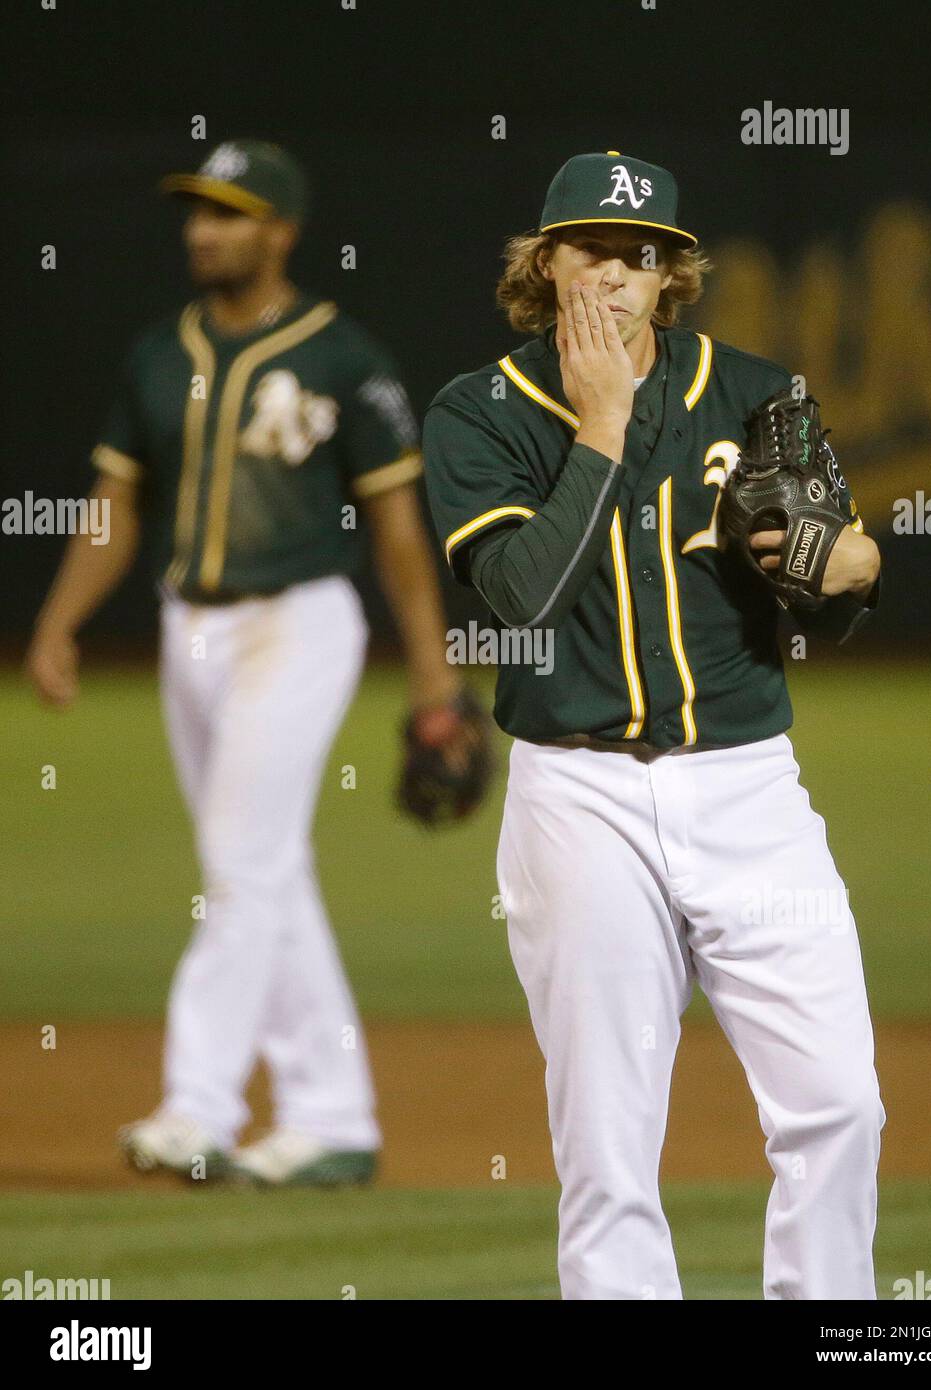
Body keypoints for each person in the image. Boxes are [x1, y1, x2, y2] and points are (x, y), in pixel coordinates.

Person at [422, 150, 886, 1298]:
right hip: (577, 798)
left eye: (644, 255)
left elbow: (828, 595)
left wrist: (850, 573)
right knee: (607, 1147)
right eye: (591, 250)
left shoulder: (757, 392)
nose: (615, 276)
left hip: (746, 789)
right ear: (544, 263)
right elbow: (520, 593)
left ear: (674, 274)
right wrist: (602, 427)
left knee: (839, 1103)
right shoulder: (476, 411)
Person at [27, 139, 468, 1188]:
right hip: (191, 630)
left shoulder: (342, 357)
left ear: (281, 231)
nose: (202, 231)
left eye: (228, 214)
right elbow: (115, 503)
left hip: (300, 622)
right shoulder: (156, 352)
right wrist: (57, 622)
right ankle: (331, 1117)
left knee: (241, 858)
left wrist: (435, 674)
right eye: (196, 212)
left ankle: (199, 1106)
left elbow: (398, 527)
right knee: (265, 869)